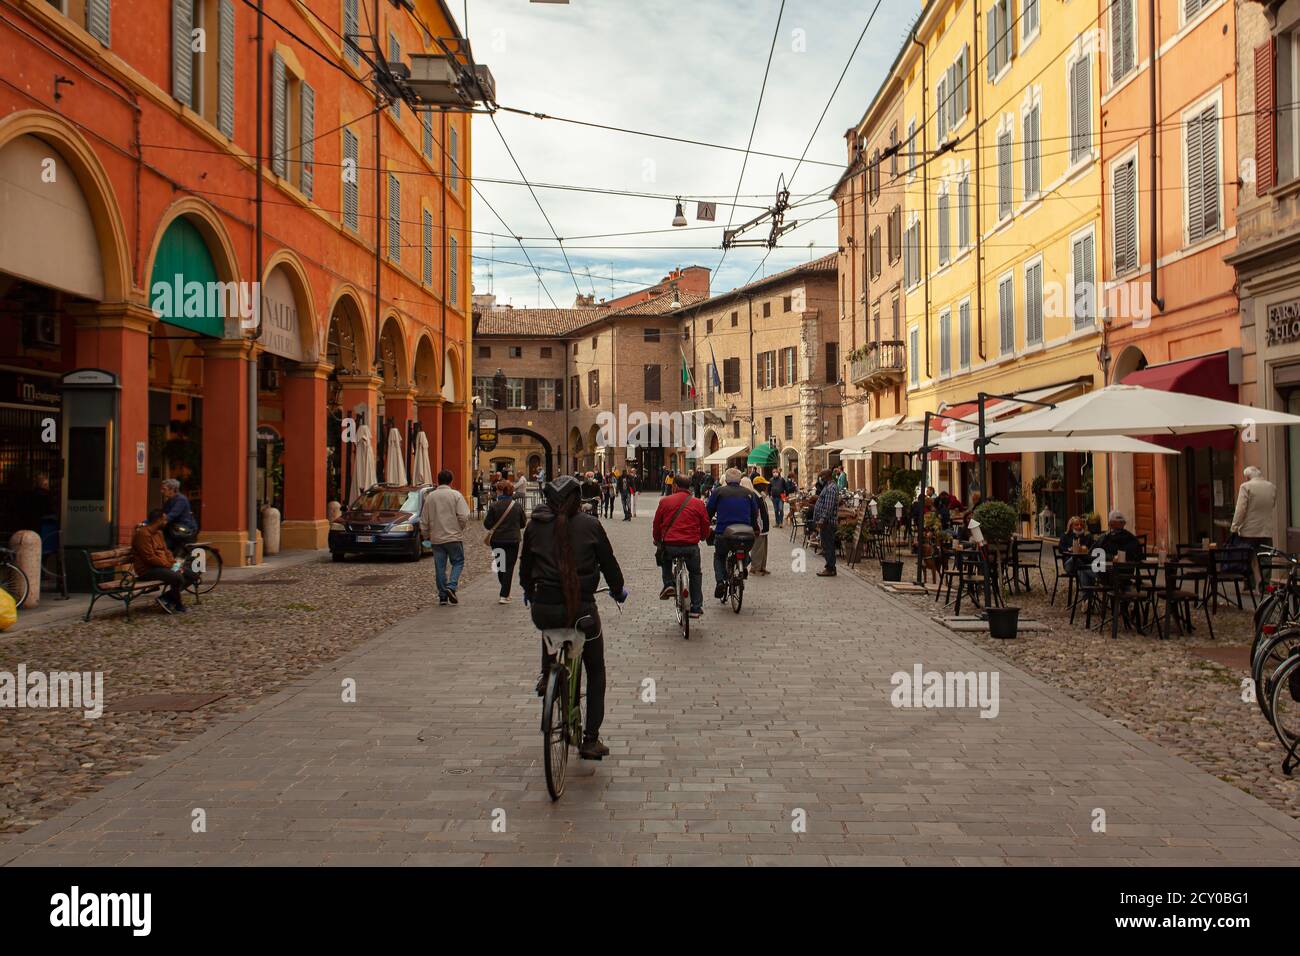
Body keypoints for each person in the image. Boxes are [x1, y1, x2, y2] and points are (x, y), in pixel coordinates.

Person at [520, 476, 627, 760]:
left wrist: (528, 591)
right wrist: (618, 590)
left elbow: (525, 565)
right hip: (582, 613)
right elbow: (609, 564)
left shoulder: (534, 526)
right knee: (596, 669)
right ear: (577, 500)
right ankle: (590, 739)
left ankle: (547, 676)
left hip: (544, 608)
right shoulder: (591, 525)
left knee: (550, 627)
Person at [653, 474, 711, 617]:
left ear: (675, 486)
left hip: (670, 545)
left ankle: (668, 584)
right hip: (691, 546)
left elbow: (657, 525)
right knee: (695, 573)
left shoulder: (665, 501)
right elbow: (705, 524)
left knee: (665, 559)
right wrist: (702, 537)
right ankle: (696, 607)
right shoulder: (698, 503)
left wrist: (657, 540)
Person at [706, 467, 761, 599]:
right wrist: (755, 528)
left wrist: (708, 523)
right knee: (745, 553)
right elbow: (754, 513)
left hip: (723, 532)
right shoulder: (749, 493)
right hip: (745, 532)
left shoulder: (718, 492)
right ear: (739, 480)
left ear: (726, 479)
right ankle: (741, 569)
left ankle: (720, 581)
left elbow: (709, 510)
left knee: (719, 556)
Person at [419, 469, 470, 605]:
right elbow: (464, 516)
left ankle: (442, 596)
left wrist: (425, 535)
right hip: (453, 536)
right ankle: (451, 586)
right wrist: (460, 527)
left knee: (440, 567)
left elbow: (424, 519)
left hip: (436, 538)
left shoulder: (430, 497)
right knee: (458, 562)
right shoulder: (456, 495)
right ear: (451, 481)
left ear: (438, 480)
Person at [133, 509, 190, 613]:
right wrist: (169, 566)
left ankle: (166, 598)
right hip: (147, 570)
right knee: (178, 577)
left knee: (191, 575)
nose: (166, 522)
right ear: (158, 520)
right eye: (164, 520)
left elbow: (166, 551)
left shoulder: (159, 533)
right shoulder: (143, 534)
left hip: (162, 567)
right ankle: (177, 603)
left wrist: (173, 564)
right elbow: (149, 558)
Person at [484, 480, 526, 604]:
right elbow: (523, 523)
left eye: (497, 490)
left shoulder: (494, 506)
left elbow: (487, 524)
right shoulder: (517, 506)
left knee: (500, 566)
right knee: (509, 566)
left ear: (502, 491)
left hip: (497, 540)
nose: (496, 492)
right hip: (513, 540)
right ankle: (504, 593)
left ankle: (504, 592)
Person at [1231, 465, 1277, 552]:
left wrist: (1234, 527)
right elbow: (1272, 505)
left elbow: (1240, 510)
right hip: (1266, 532)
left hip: (1248, 533)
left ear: (1247, 477)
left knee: (1246, 562)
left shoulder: (1245, 487)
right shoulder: (1272, 487)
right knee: (1265, 561)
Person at [740, 476, 772, 575]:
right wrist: (757, 527)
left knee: (763, 549)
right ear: (758, 485)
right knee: (757, 549)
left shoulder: (759, 496)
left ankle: (762, 566)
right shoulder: (754, 496)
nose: (766, 486)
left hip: (764, 527)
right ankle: (755, 568)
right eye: (764, 484)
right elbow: (755, 513)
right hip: (759, 526)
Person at [812, 469, 840, 577]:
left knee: (828, 545)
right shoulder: (828, 487)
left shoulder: (831, 488)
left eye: (821, 476)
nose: (820, 478)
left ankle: (830, 568)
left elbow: (828, 507)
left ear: (827, 476)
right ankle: (829, 566)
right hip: (826, 522)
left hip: (827, 523)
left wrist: (822, 520)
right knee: (826, 544)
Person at [160, 478, 197, 552]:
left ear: (172, 489)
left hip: (183, 529)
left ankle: (177, 561)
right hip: (174, 529)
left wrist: (163, 521)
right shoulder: (169, 501)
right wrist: (146, 522)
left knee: (169, 547)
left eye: (164, 489)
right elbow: (160, 514)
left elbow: (173, 514)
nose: (162, 491)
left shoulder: (181, 500)